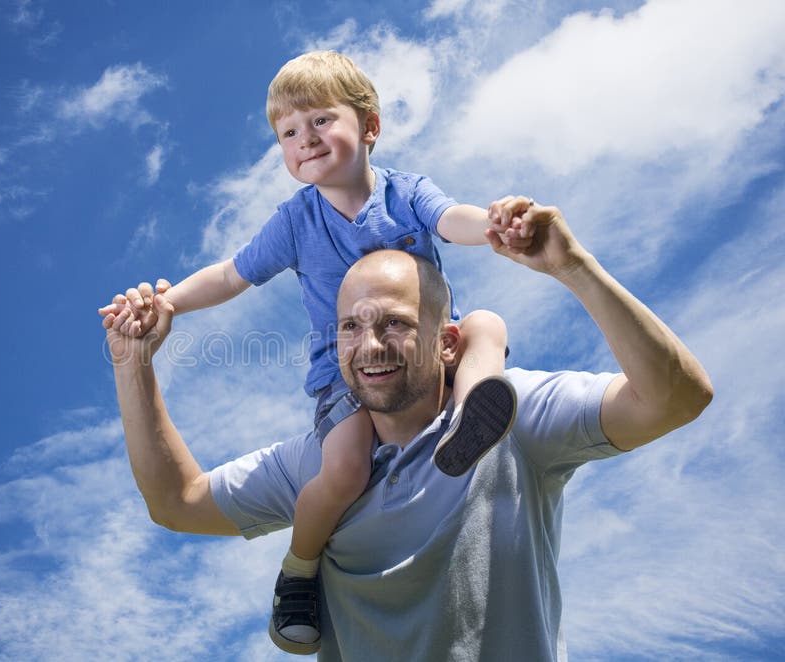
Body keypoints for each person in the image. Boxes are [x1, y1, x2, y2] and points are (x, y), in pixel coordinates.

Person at [100, 198, 713, 661]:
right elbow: (176, 502)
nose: (368, 346)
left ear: (448, 343)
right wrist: (134, 364)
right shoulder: (321, 462)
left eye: (393, 324)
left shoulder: (514, 415)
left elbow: (676, 398)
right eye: (348, 327)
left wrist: (574, 268)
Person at [99, 50, 528, 654]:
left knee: (486, 322)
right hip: (346, 381)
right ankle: (298, 572)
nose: (307, 140)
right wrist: (170, 304)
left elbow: (451, 218)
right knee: (347, 464)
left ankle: (471, 415)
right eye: (289, 133)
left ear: (370, 126)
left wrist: (493, 223)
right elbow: (231, 274)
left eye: (322, 121)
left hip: (432, 353)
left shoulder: (406, 193)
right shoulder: (297, 221)